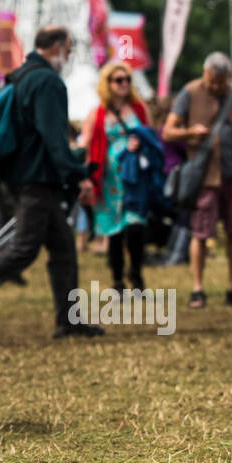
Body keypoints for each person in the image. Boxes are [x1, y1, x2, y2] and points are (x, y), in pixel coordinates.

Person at [0, 26, 100, 342]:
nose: (69, 57)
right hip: (36, 178)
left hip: (24, 175)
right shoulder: (46, 81)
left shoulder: (21, 75)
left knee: (63, 247)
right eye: (69, 50)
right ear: (58, 47)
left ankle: (69, 320)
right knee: (23, 249)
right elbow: (53, 137)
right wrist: (76, 172)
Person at [162, 52, 232, 309]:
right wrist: (190, 132)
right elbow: (168, 131)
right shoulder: (189, 92)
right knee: (201, 232)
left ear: (229, 77)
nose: (216, 86)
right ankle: (197, 288)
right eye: (212, 81)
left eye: (221, 82)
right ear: (205, 73)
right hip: (205, 175)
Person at [79, 61, 153, 292]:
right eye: (118, 80)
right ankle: (118, 279)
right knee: (114, 230)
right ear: (108, 84)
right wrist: (86, 177)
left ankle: (137, 272)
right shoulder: (98, 113)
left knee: (135, 226)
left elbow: (151, 137)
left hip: (134, 177)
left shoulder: (139, 109)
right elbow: (86, 144)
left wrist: (141, 144)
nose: (124, 84)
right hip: (108, 178)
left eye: (127, 79)